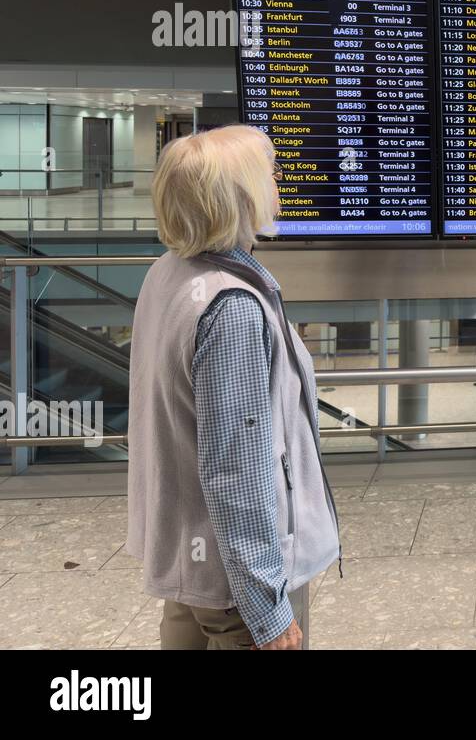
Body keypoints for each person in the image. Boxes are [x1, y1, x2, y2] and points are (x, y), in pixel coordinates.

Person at [125, 125, 341, 649]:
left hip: (188, 560)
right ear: (239, 195)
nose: (279, 183)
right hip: (236, 585)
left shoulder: (168, 274)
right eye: (270, 174)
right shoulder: (232, 307)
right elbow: (237, 467)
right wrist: (266, 605)